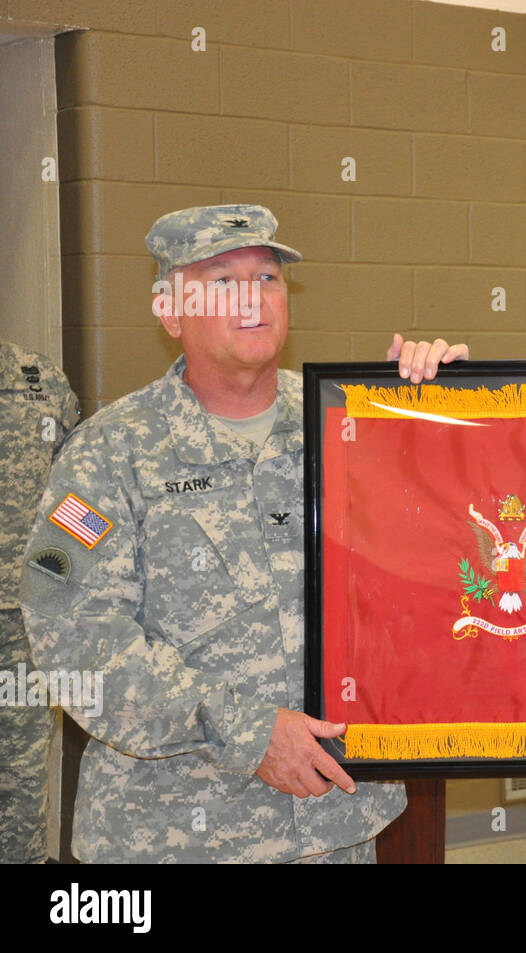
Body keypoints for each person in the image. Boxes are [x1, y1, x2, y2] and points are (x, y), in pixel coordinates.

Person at [19, 204, 467, 863]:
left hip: (336, 828)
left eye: (267, 278)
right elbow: (74, 643)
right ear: (170, 311)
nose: (252, 299)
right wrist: (250, 732)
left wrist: (443, 409)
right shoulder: (106, 457)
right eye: (221, 281)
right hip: (174, 839)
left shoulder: (351, 427)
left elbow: (447, 564)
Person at [0, 343, 80, 863]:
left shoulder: (39, 378)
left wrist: (66, 573)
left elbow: (82, 494)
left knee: (21, 774)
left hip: (22, 621)